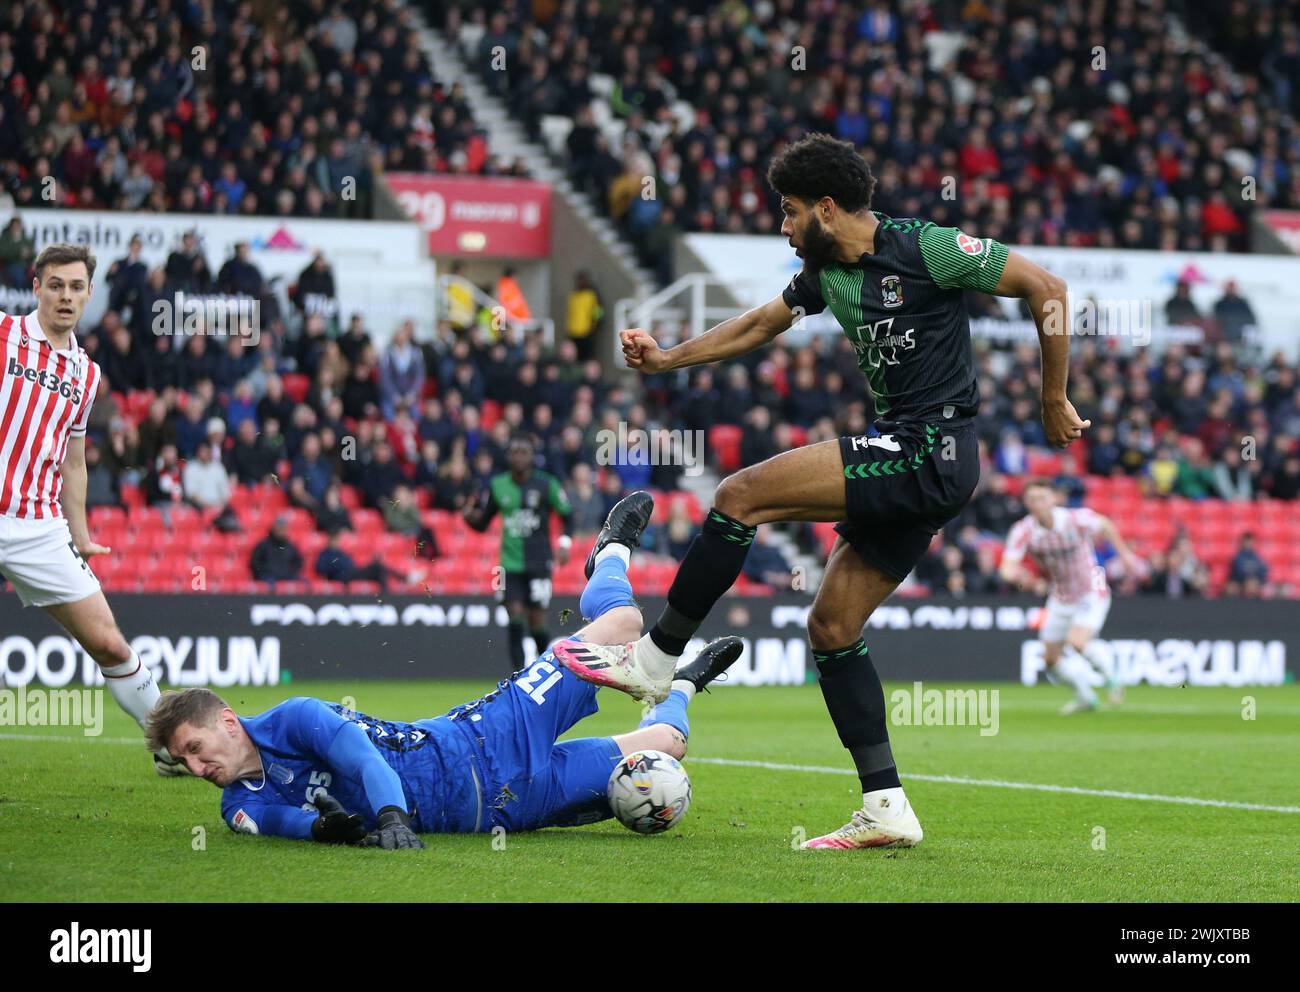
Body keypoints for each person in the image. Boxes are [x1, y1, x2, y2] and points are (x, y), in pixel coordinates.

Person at [550, 133, 1091, 850]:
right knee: (832, 628)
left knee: (739, 495)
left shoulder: (927, 248)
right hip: (913, 458)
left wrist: (1053, 397)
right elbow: (757, 324)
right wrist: (666, 360)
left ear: (827, 209)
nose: (783, 225)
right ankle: (886, 807)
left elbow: (1048, 288)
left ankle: (655, 659)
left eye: (790, 210)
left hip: (929, 448)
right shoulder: (825, 273)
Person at [144, 494, 743, 845]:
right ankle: (683, 683)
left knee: (625, 625)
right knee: (668, 747)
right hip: (512, 806)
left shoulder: (295, 718)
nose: (196, 767)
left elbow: (362, 759)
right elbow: (285, 823)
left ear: (227, 721)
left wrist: (389, 814)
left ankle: (608, 554)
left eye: (194, 747)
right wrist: (332, 831)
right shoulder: (237, 808)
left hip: (487, 737)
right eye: (184, 761)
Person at [0, 243, 178, 774]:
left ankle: (168, 747)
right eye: (55, 285)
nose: (65, 296)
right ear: (36, 287)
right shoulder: (4, 333)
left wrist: (78, 534)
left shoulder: (86, 373)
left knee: (110, 643)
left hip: (38, 525)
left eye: (76, 287)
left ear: (89, 293)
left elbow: (74, 462)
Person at [999, 480, 1143, 714]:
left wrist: (1125, 554)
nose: (1038, 504)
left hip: (1091, 589)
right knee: (1050, 660)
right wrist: (1021, 578)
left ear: (1053, 499)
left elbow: (1105, 524)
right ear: (1026, 503)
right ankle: (1086, 697)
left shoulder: (1074, 519)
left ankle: (1112, 679)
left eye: (1042, 498)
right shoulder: (1023, 530)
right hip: (1060, 595)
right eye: (1032, 499)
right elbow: (1007, 568)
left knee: (1077, 642)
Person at [464, 434, 573, 672]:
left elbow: (568, 515)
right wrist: (469, 517)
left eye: (524, 452)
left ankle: (550, 671)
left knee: (537, 621)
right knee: (513, 615)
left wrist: (564, 544)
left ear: (532, 456)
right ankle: (517, 675)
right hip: (507, 565)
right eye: (515, 452)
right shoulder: (497, 485)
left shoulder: (547, 484)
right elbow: (482, 523)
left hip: (540, 562)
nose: (519, 457)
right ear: (508, 456)